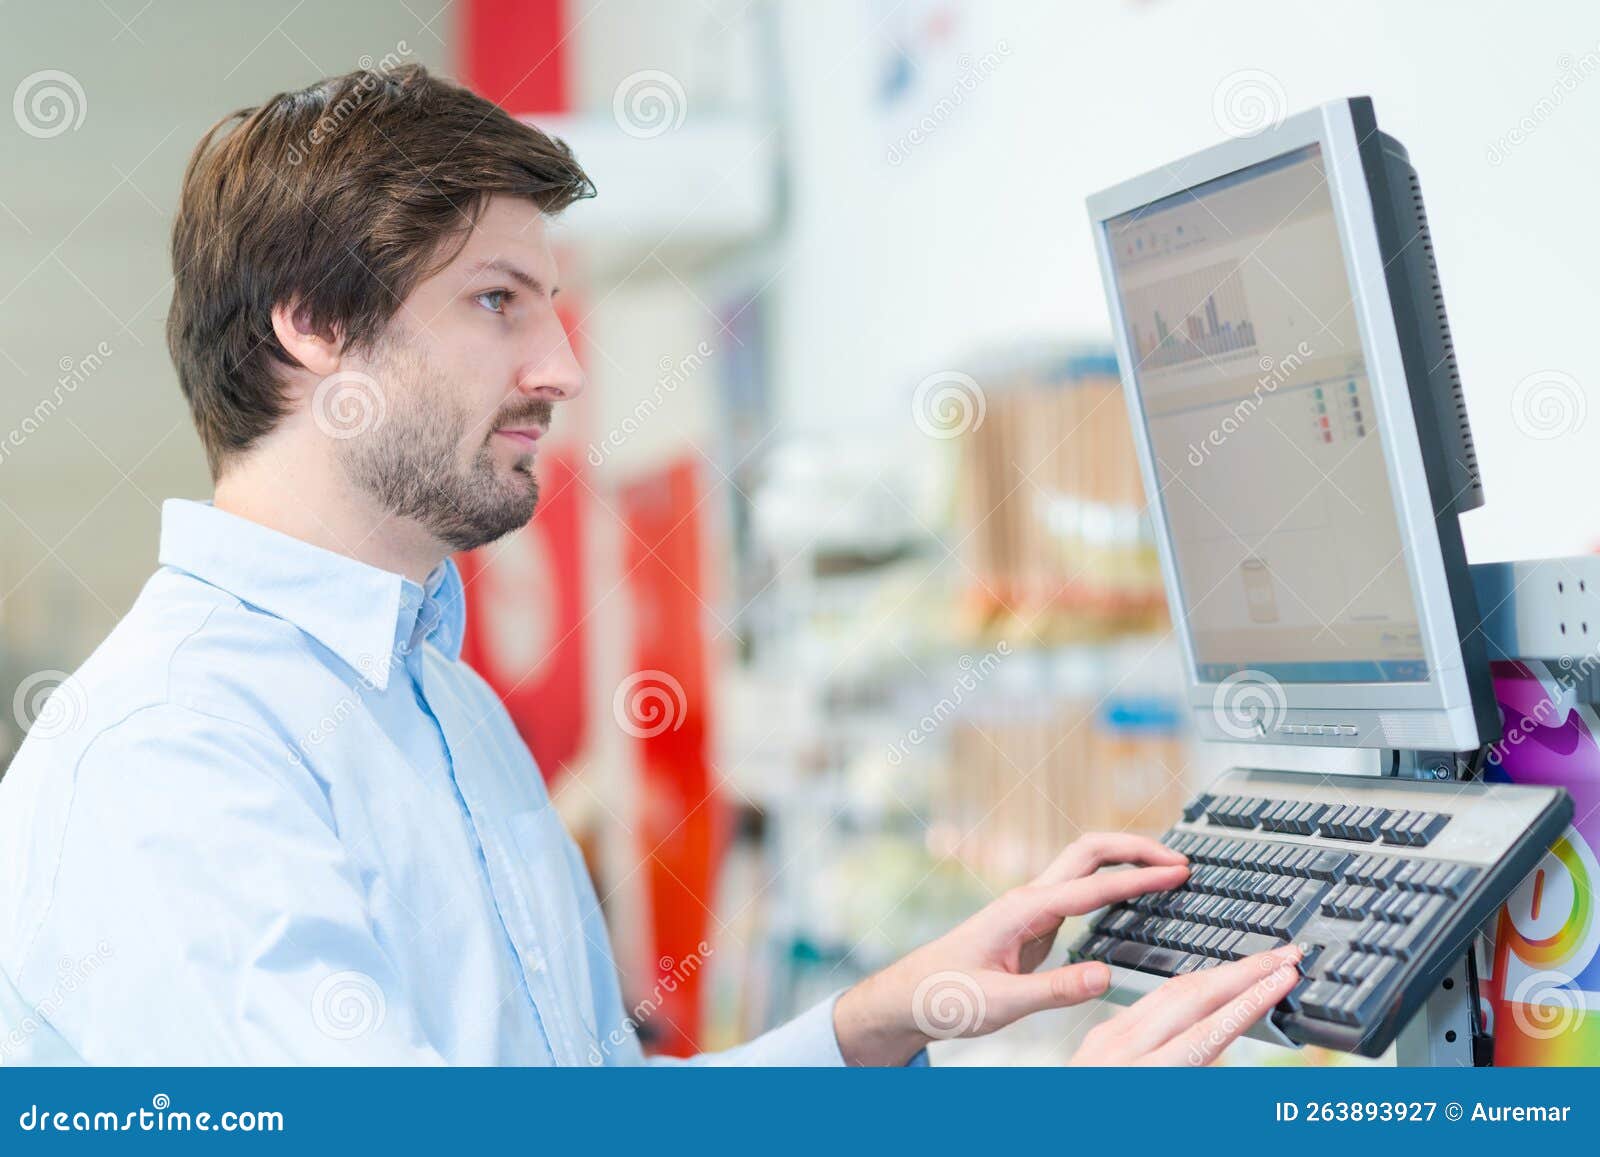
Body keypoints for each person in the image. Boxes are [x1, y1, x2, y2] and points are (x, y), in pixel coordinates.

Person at [0, 64, 1299, 1066]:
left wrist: (877, 1017)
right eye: (500, 300)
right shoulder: (175, 753)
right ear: (314, 322)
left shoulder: (435, 697)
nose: (562, 366)